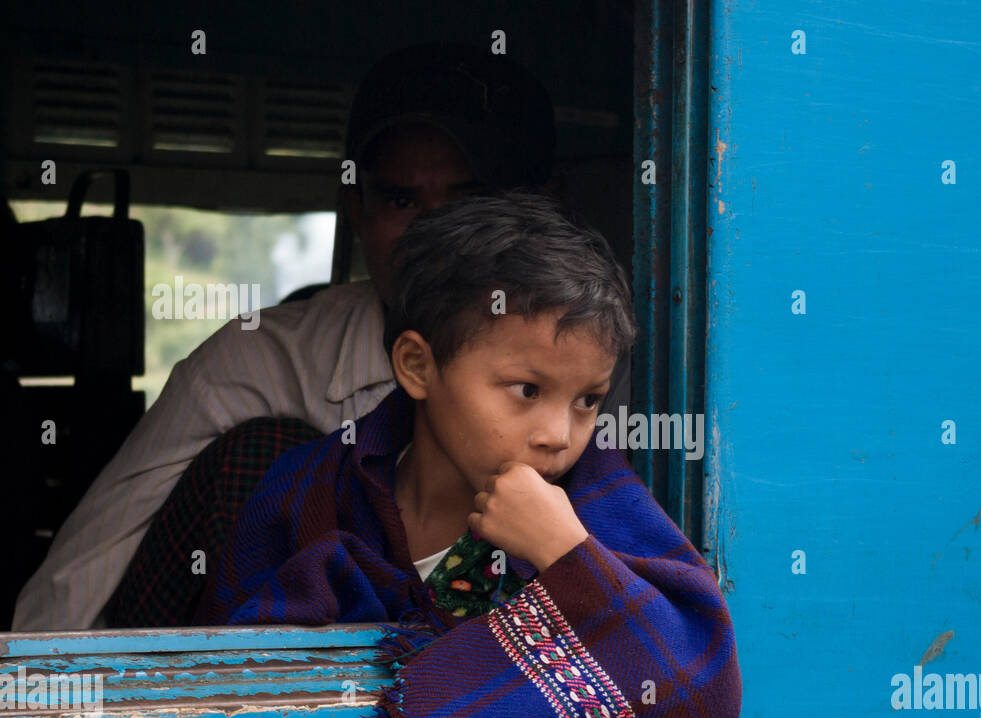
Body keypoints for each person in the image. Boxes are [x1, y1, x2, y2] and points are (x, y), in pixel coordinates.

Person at [12, 41, 628, 631]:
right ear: (356, 210)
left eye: (471, 203)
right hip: (270, 689)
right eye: (400, 199)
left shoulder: (584, 383)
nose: (433, 236)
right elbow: (79, 580)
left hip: (479, 691)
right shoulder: (259, 361)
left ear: (542, 211)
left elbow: (675, 648)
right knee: (268, 453)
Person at [193, 192, 741, 718]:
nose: (559, 435)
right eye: (527, 390)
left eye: (588, 400)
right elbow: (212, 684)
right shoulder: (313, 490)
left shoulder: (591, 501)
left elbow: (704, 692)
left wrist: (567, 552)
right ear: (418, 366)